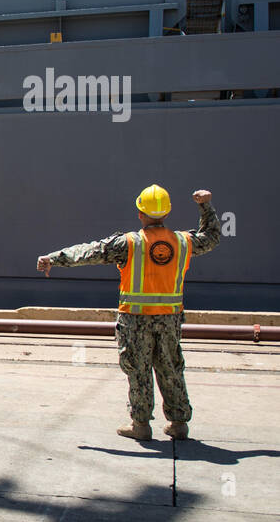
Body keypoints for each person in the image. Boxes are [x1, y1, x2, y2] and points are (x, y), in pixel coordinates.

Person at [36, 186, 221, 441]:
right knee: (171, 366)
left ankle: (141, 425)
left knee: (138, 369)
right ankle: (179, 424)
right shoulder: (182, 241)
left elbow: (91, 252)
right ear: (166, 213)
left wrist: (54, 259)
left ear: (140, 213)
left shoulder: (129, 243)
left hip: (135, 320)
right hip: (169, 319)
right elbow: (211, 237)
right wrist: (205, 206)